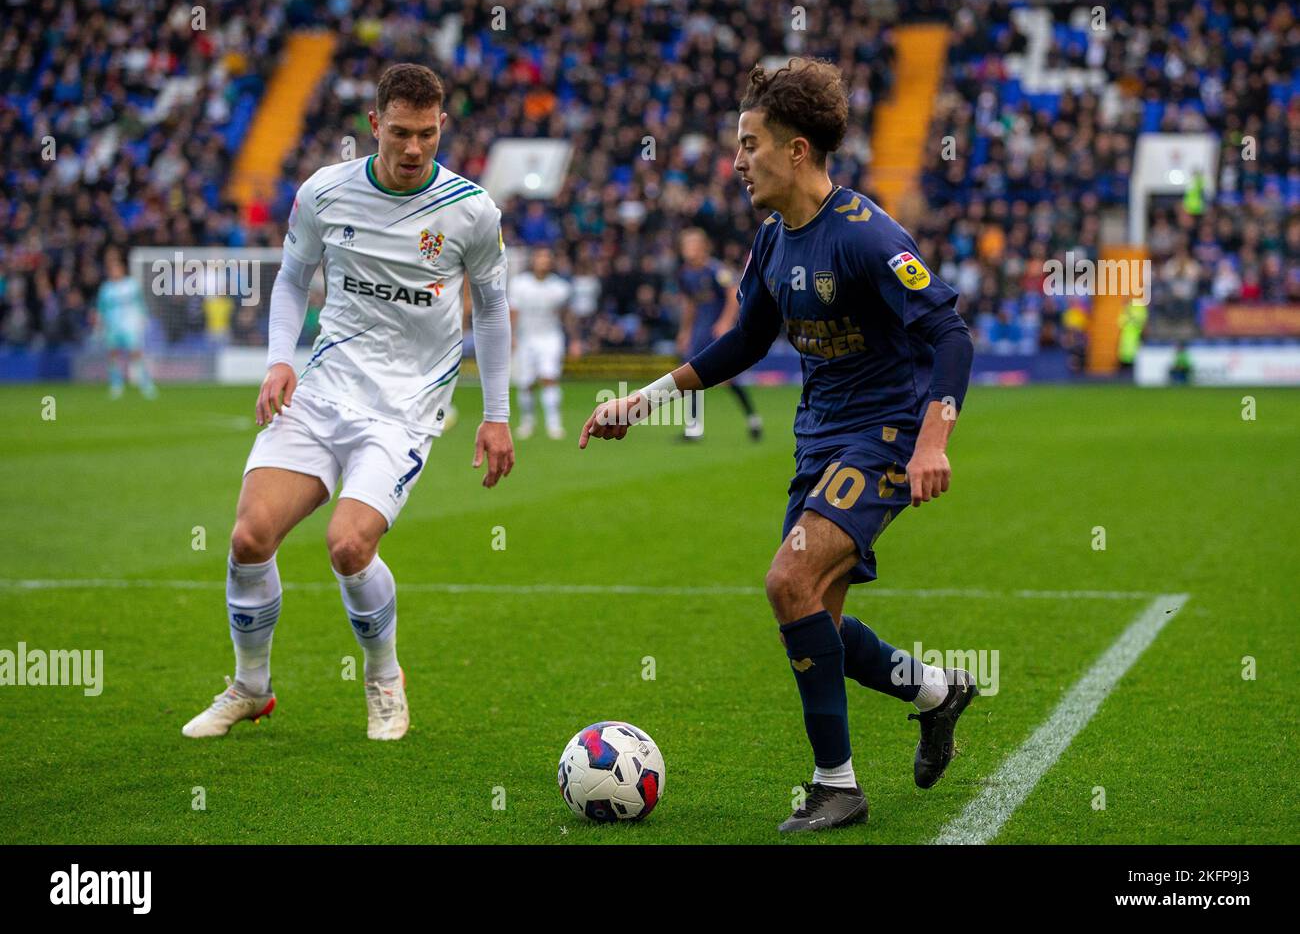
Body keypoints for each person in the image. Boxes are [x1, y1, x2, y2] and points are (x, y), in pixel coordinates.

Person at [580, 58, 978, 833]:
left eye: (749, 144)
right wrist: (643, 401)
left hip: (883, 439)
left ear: (797, 151)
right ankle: (937, 691)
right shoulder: (772, 241)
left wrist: (932, 441)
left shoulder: (869, 237)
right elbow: (743, 343)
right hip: (817, 441)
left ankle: (838, 786)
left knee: (787, 579)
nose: (736, 163)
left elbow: (949, 333)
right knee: (817, 625)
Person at [182, 63, 513, 742]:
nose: (413, 147)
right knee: (249, 537)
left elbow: (494, 311)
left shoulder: (472, 209)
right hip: (324, 392)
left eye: (426, 133)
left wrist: (497, 412)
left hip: (404, 412)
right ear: (374, 126)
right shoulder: (324, 192)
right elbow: (291, 280)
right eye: (400, 132)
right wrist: (279, 359)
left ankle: (384, 678)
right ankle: (249, 688)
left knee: (348, 544)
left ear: (442, 125)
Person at [675, 228, 762, 440]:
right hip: (699, 329)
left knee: (728, 377)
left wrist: (724, 322)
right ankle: (694, 428)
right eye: (686, 245)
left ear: (703, 246)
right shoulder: (685, 273)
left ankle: (753, 418)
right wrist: (685, 331)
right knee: (689, 375)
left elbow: (733, 293)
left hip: (715, 328)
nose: (689, 249)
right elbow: (690, 304)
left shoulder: (716, 270)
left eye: (693, 244)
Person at [510, 247, 573, 439]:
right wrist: (510, 336)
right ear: (533, 260)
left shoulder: (560, 287)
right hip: (525, 337)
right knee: (526, 382)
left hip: (550, 337)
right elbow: (513, 311)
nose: (543, 261)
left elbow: (567, 315)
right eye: (540, 257)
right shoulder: (519, 284)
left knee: (549, 377)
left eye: (547, 257)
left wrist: (575, 339)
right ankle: (527, 422)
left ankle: (554, 423)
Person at [93, 248, 157, 399]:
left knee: (136, 354)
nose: (115, 272)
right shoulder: (106, 289)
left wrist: (144, 318)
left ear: (122, 269)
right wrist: (99, 326)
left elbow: (140, 304)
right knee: (113, 355)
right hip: (113, 328)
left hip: (130, 326)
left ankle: (145, 383)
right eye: (112, 269)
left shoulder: (131, 285)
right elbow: (101, 309)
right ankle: (116, 384)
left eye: (117, 268)